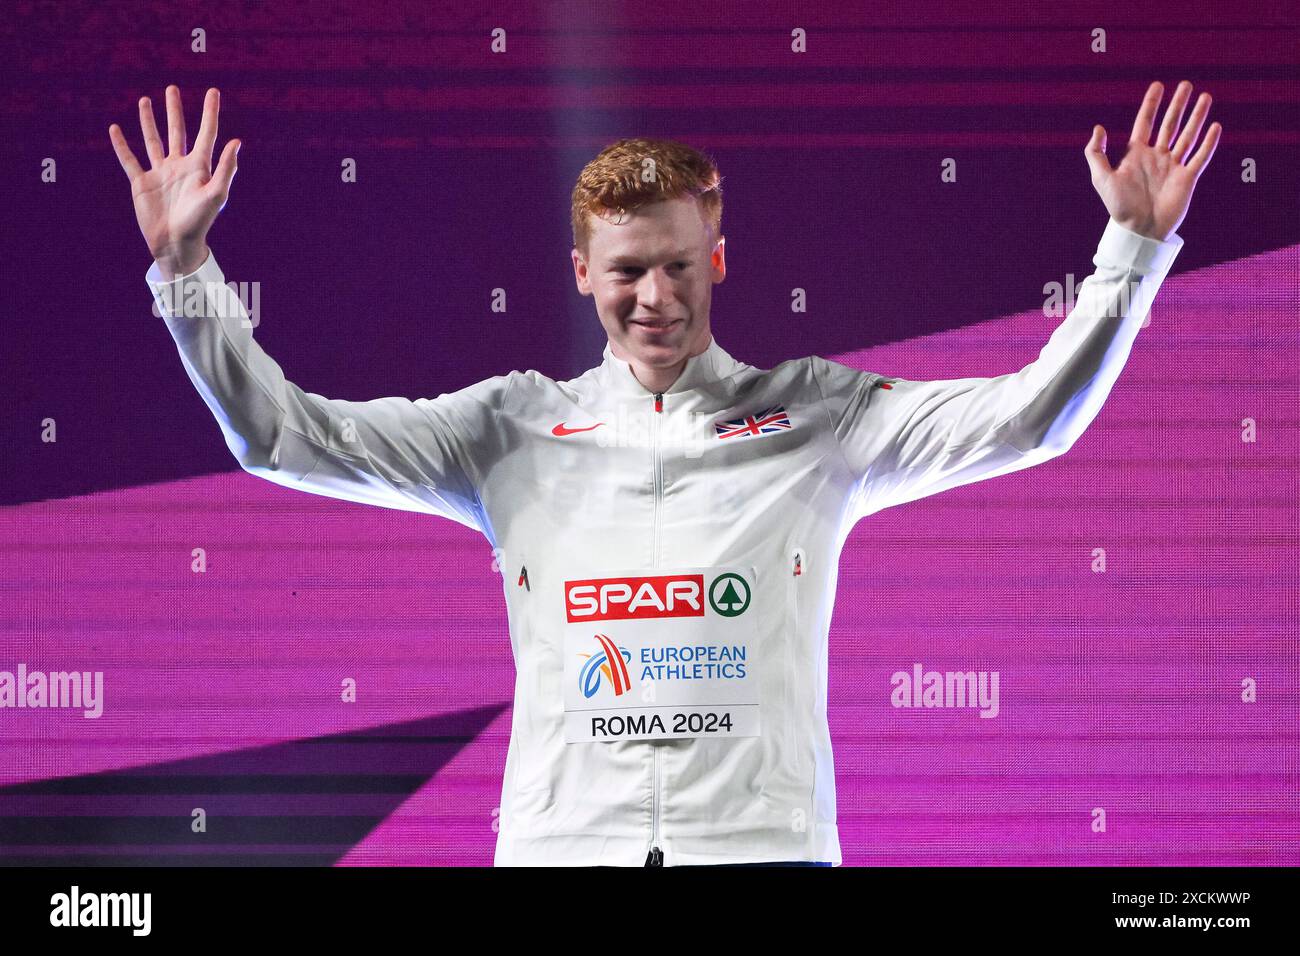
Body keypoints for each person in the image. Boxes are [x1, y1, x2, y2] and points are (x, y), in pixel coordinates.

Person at [110, 82, 1220, 867]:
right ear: (582, 269)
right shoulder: (505, 428)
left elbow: (1032, 417)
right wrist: (187, 268)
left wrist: (1129, 251)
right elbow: (282, 436)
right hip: (560, 851)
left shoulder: (819, 412)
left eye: (678, 265)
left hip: (763, 849)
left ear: (718, 259)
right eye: (627, 270)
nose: (655, 297)